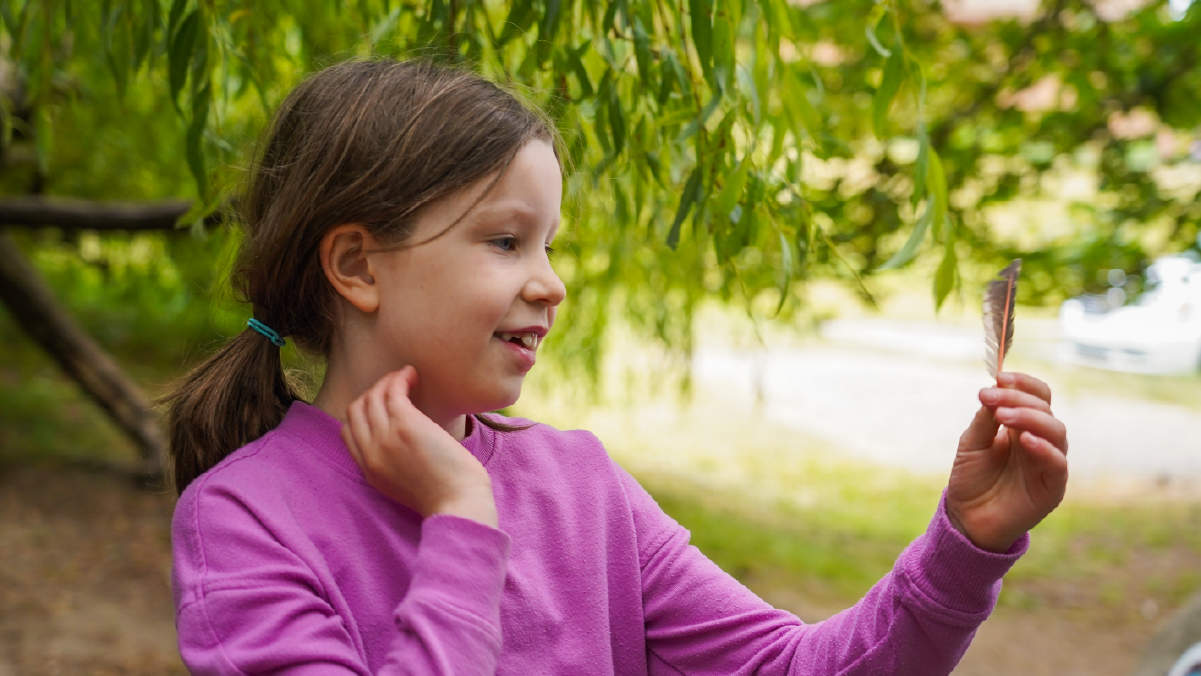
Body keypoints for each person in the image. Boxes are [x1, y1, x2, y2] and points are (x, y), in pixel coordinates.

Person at [161, 59, 1069, 675]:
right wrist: (462, 527)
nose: (550, 285)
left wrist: (968, 544)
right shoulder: (244, 520)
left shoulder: (580, 487)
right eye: (506, 241)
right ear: (357, 265)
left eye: (550, 245)